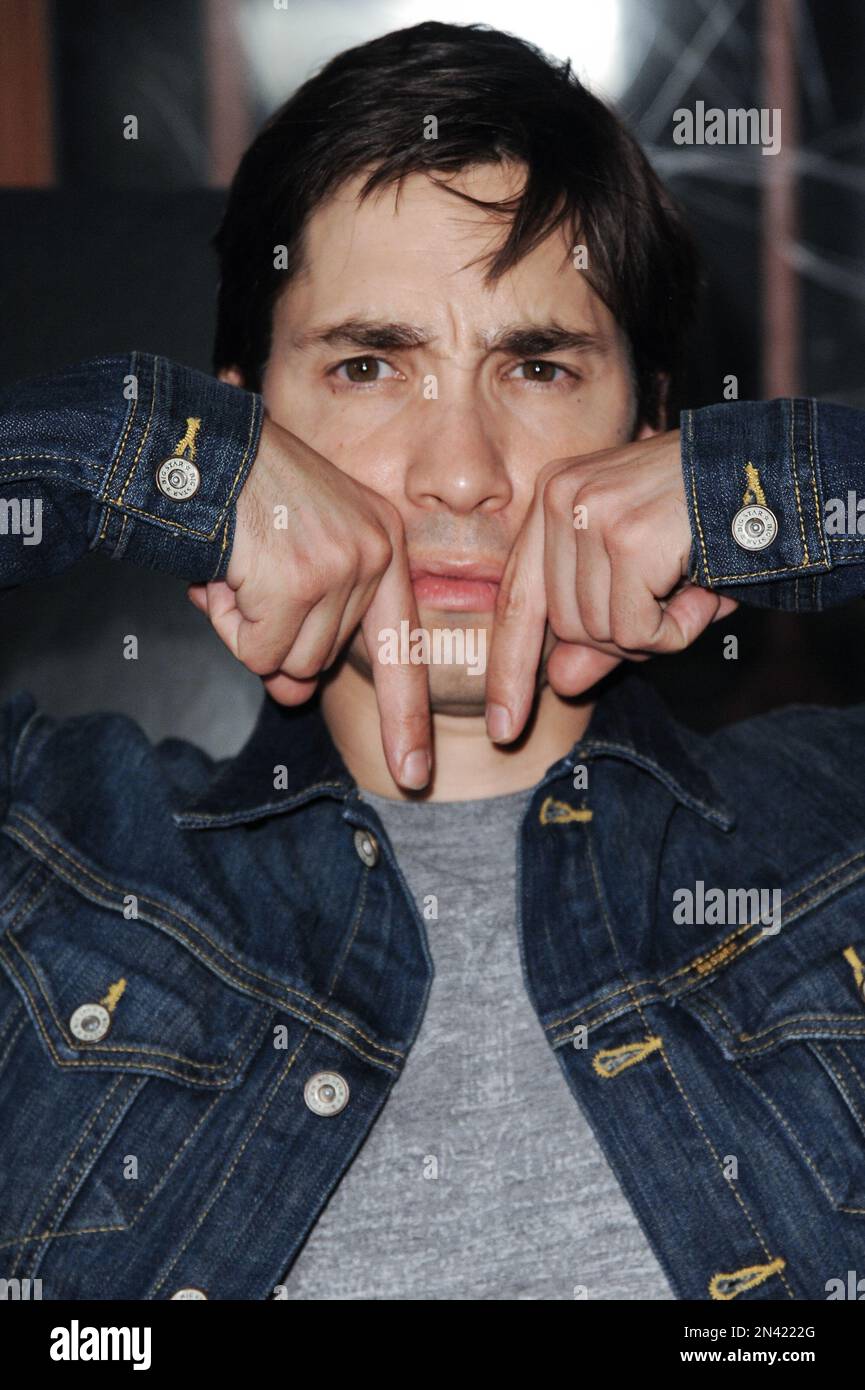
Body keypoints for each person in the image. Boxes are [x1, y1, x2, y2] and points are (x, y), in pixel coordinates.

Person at [1, 21, 865, 1302]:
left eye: (535, 365)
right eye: (367, 364)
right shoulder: (60, 857)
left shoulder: (832, 830)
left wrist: (765, 493)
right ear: (249, 425)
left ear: (648, 432)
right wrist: (157, 461)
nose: (460, 471)